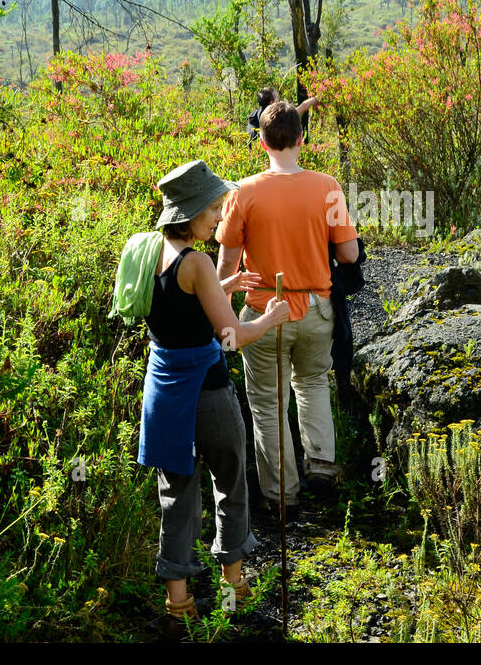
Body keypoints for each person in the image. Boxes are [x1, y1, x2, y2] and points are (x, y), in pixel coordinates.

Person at [137, 159, 290, 626]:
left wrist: (220, 286)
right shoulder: (199, 261)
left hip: (163, 391)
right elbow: (232, 338)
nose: (220, 217)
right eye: (213, 210)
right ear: (191, 212)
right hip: (207, 391)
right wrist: (269, 318)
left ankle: (178, 601)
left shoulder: (148, 251)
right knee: (229, 478)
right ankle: (234, 582)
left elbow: (175, 303)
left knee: (176, 491)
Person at [217, 101, 358, 515]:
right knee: (313, 384)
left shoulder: (242, 192)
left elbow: (226, 264)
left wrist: (223, 317)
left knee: (267, 403)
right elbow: (348, 253)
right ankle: (321, 465)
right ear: (302, 139)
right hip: (317, 310)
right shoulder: (327, 185)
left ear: (262, 142)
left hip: (264, 313)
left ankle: (282, 496)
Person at [247, 85, 319, 146]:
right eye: (277, 97)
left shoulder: (255, 115)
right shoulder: (275, 116)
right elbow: (303, 107)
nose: (279, 99)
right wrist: (317, 98)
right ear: (272, 102)